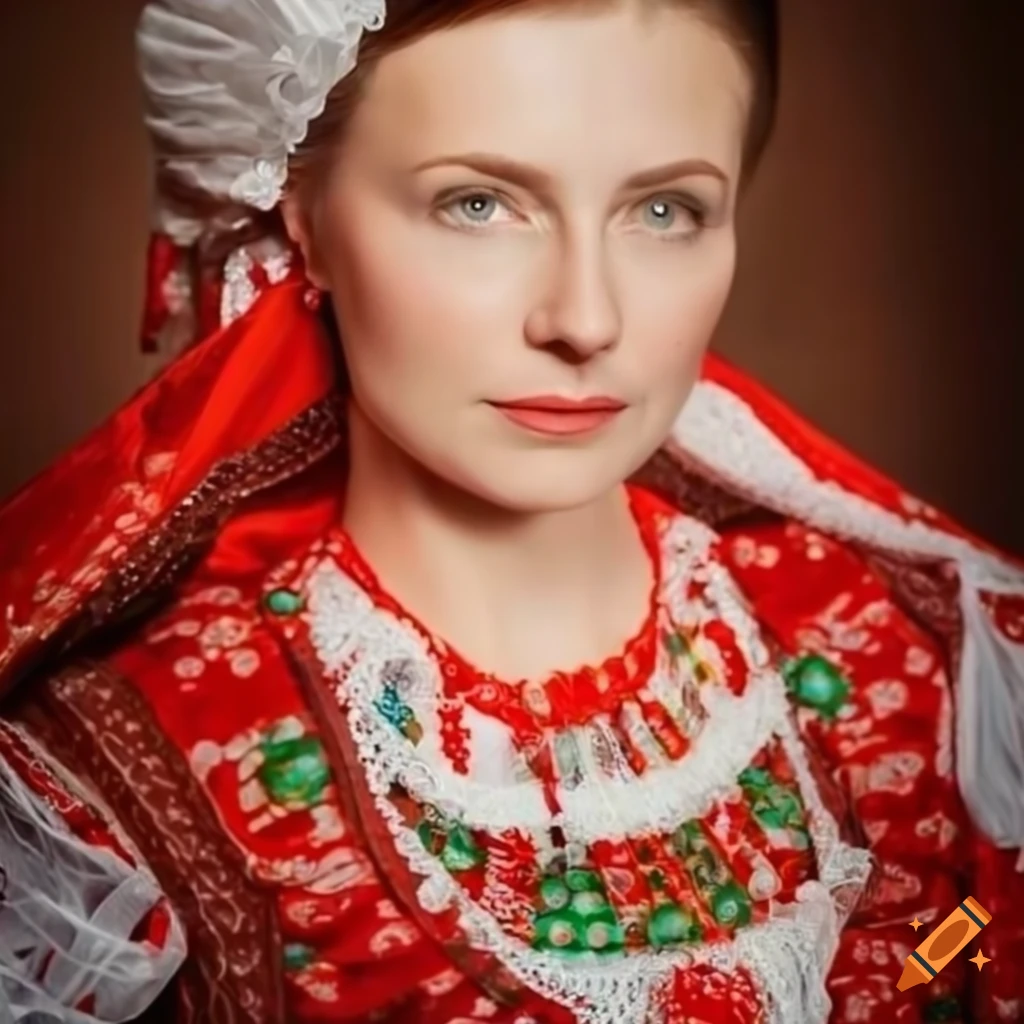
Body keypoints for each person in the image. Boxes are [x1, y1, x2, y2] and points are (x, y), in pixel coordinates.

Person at [0, 1, 1022, 1021]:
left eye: (664, 210)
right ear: (301, 218)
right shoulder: (103, 783)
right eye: (478, 203)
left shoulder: (911, 654)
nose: (585, 318)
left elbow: (965, 960)